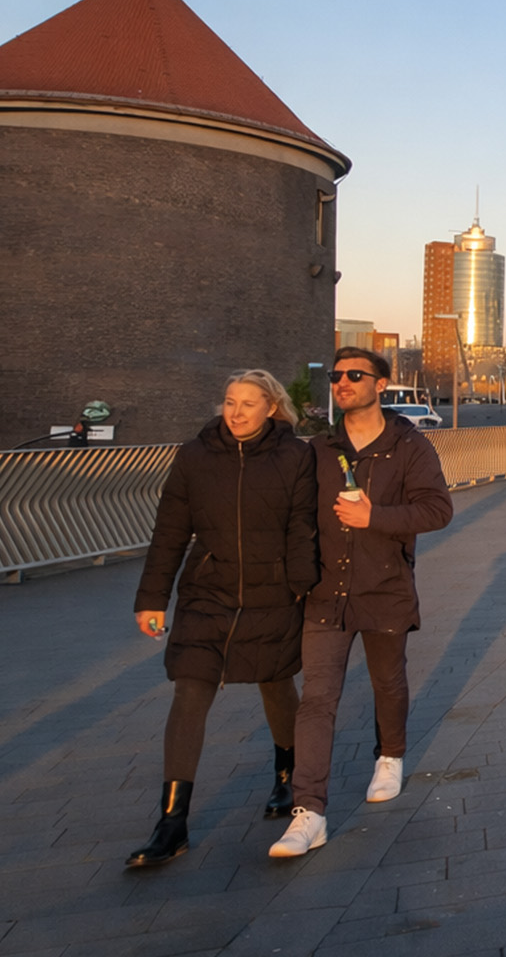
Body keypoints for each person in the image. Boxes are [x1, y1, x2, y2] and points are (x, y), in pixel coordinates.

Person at [126, 370, 317, 868]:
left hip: (272, 594)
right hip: (206, 594)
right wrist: (151, 599)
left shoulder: (296, 457)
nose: (235, 412)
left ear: (271, 408)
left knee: (275, 682)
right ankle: (172, 823)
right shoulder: (194, 457)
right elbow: (169, 531)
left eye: (248, 404)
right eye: (230, 402)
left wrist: (303, 590)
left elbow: (302, 528)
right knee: (189, 691)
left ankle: (288, 778)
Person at [270, 347, 454, 858]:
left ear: (381, 384)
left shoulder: (408, 446)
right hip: (326, 591)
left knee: (387, 680)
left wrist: (375, 517)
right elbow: (293, 511)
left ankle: (390, 755)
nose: (343, 383)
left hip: (384, 586)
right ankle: (308, 812)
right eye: (336, 376)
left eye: (355, 375)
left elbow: (438, 509)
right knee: (317, 698)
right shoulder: (319, 449)